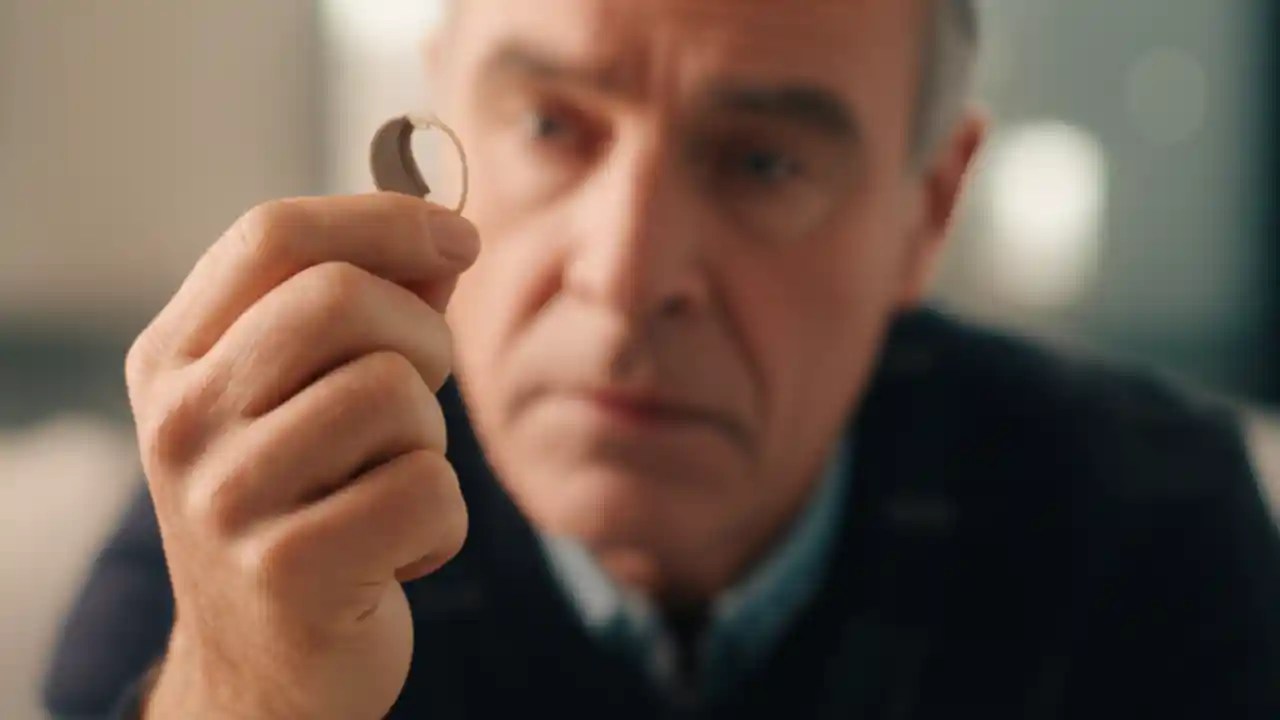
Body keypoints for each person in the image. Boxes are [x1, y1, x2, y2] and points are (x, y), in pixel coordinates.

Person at [43, 1, 1280, 718]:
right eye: (546, 126)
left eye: (762, 163)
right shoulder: (264, 511)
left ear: (926, 211)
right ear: (444, 113)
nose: (625, 278)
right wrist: (249, 691)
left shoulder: (1145, 519)